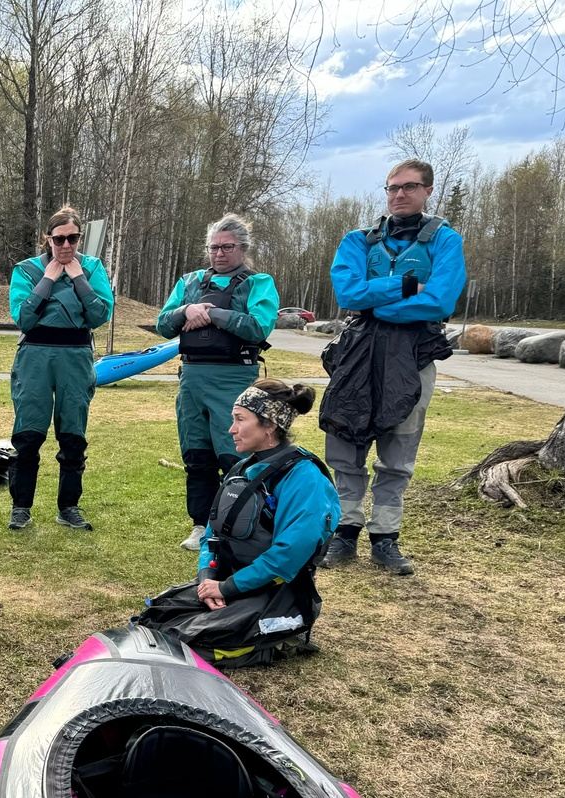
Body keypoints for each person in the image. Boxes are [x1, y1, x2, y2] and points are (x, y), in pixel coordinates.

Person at [318, 159, 465, 575]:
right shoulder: (357, 241)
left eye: (409, 187)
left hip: (414, 355)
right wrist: (402, 286)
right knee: (345, 442)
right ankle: (345, 531)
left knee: (399, 450)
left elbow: (439, 301)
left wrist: (377, 302)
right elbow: (348, 292)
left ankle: (386, 536)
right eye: (392, 187)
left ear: (427, 191)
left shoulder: (445, 241)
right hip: (357, 354)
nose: (399, 194)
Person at [134, 380, 339, 669]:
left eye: (240, 419)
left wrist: (228, 588)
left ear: (268, 425)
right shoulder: (242, 468)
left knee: (187, 639)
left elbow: (288, 556)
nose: (231, 429)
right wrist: (208, 577)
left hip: (277, 593)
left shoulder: (304, 478)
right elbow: (212, 533)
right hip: (229, 581)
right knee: (155, 615)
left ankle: (282, 637)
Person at [155, 214, 279, 552]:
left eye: (227, 247)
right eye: (214, 247)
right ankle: (201, 524)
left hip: (234, 378)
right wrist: (186, 311)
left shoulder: (258, 282)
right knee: (196, 454)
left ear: (242, 248)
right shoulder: (190, 281)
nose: (219, 253)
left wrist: (214, 315)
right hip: (193, 377)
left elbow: (259, 327)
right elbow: (163, 324)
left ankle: (238, 522)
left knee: (234, 454)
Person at [6, 205, 115, 531]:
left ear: (79, 238)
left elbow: (99, 315)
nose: (66, 245)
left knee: (73, 436)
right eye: (59, 239)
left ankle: (68, 507)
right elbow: (24, 317)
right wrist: (49, 279)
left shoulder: (93, 268)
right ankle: (21, 507)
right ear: (48, 238)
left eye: (73, 238)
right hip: (35, 358)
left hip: (76, 355)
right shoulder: (26, 271)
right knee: (28, 434)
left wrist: (78, 278)